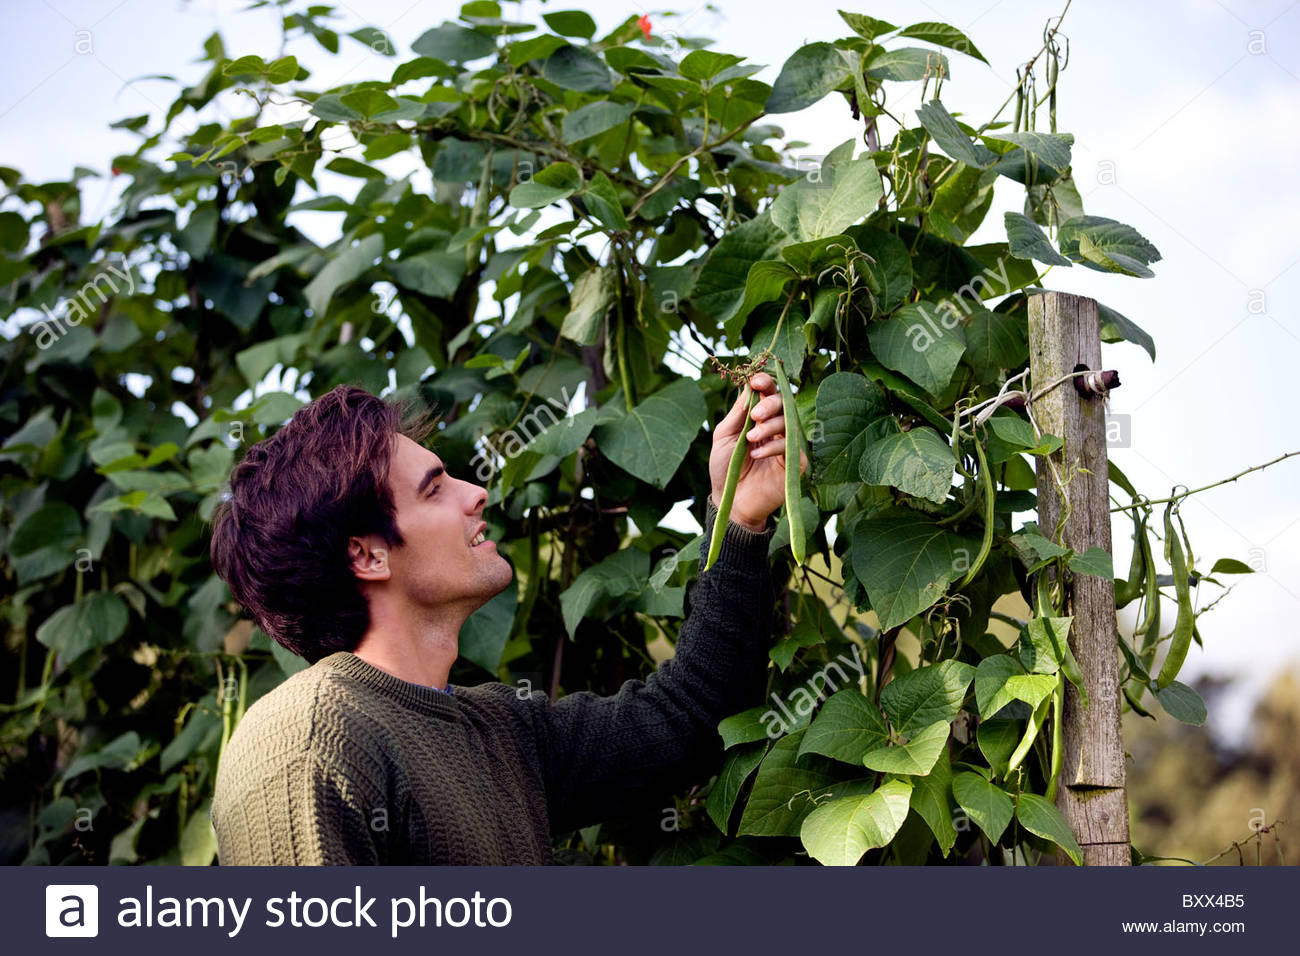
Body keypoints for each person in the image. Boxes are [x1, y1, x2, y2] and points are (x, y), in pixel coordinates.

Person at [209, 373, 799, 864]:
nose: (476, 493)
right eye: (434, 489)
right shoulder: (309, 743)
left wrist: (737, 519)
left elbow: (689, 718)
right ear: (367, 555)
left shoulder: (499, 733)